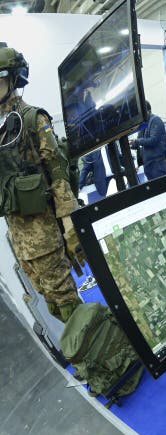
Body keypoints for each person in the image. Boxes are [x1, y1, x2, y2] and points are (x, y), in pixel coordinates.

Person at [0, 46, 82, 322]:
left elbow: (58, 174)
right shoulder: (2, 130)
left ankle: (99, 359)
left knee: (66, 300)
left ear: (14, 80)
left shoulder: (34, 119)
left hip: (44, 234)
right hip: (19, 238)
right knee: (50, 303)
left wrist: (69, 223)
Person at [130, 100, 166, 180]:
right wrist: (133, 144)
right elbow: (139, 140)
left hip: (157, 164)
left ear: (148, 110)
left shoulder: (155, 120)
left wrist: (137, 141)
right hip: (148, 165)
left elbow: (153, 140)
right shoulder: (143, 125)